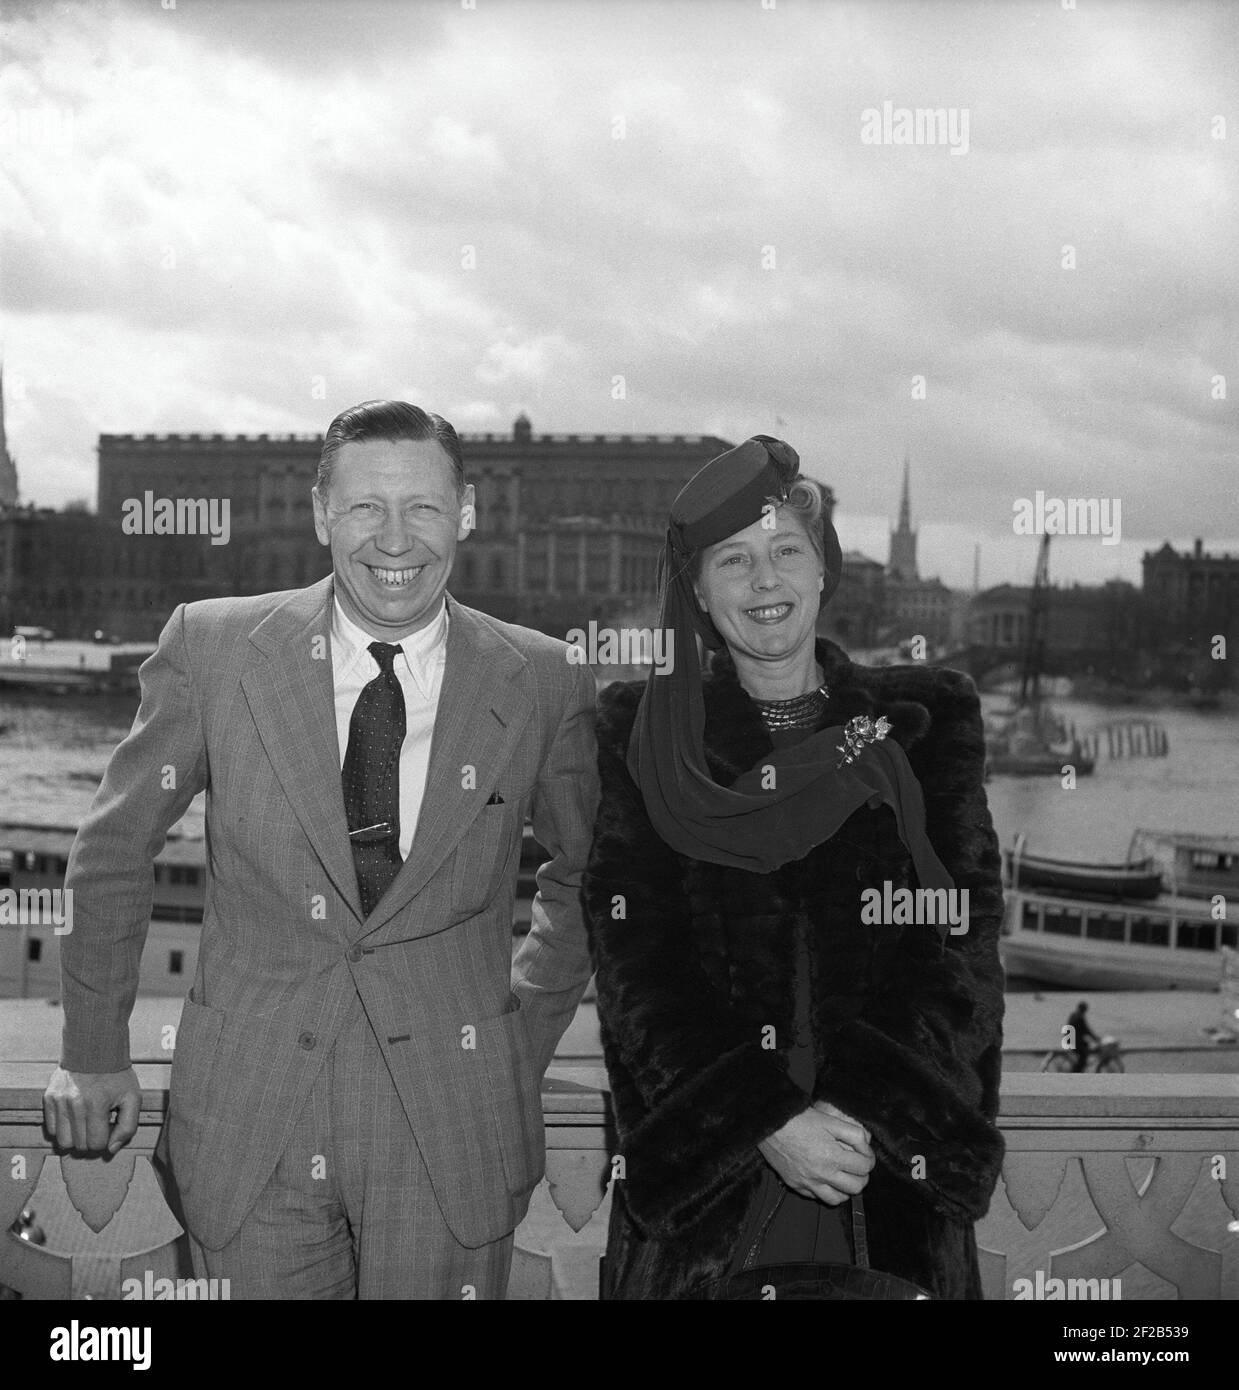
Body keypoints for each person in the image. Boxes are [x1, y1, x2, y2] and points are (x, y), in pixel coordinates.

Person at [43, 400, 598, 1299]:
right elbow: (113, 850)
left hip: (451, 1117)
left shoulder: (541, 675)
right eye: (364, 508)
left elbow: (585, 877)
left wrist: (513, 1037)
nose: (393, 540)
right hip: (250, 1116)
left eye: (421, 508)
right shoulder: (212, 647)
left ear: (465, 515)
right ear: (319, 516)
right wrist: (95, 1049)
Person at [583, 436, 1006, 1300]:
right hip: (716, 1192)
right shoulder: (642, 734)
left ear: (824, 572)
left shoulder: (925, 724)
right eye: (732, 561)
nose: (764, 581)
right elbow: (637, 968)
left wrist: (851, 1113)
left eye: (786, 552)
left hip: (879, 1169)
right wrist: (767, 1121)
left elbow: (956, 953)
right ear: (698, 593)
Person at [1067, 1000, 1099, 1073]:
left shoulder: (1074, 1015)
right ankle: (1076, 1071)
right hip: (1074, 1040)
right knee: (1083, 1054)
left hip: (1070, 1039)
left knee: (1086, 1046)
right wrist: (1095, 1038)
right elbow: (1086, 1030)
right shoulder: (1079, 1018)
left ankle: (1079, 1067)